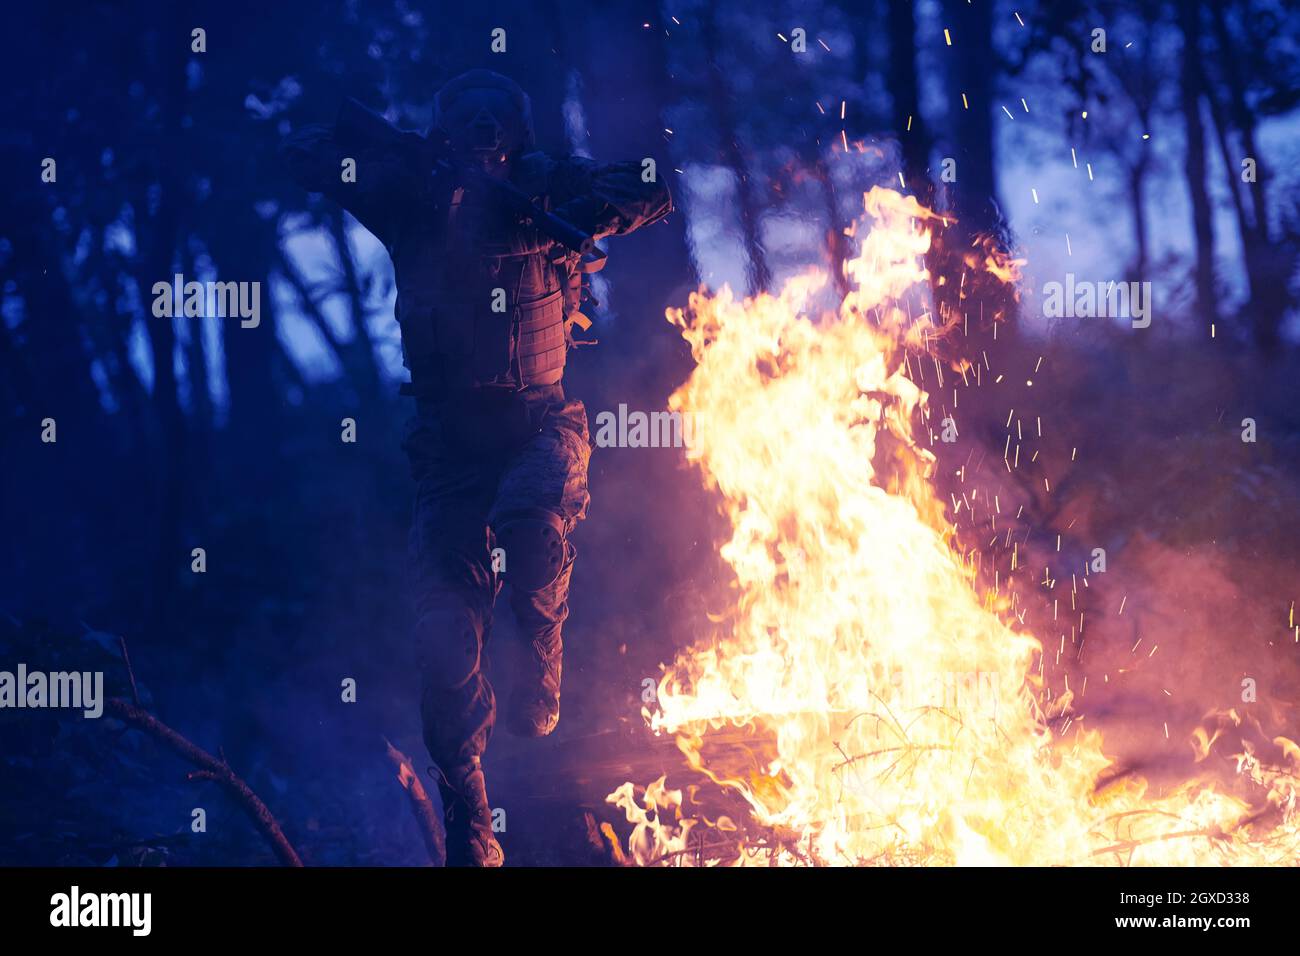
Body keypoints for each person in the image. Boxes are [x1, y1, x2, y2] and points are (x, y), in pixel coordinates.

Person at [282, 70, 672, 865]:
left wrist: (546, 188)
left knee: (532, 522)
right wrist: (410, 163)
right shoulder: (412, 205)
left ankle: (542, 664)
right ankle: (470, 820)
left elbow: (650, 189)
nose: (484, 131)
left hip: (541, 427)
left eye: (498, 121)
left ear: (518, 134)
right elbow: (308, 154)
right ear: (447, 131)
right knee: (442, 646)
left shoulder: (549, 192)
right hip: (449, 455)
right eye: (467, 122)